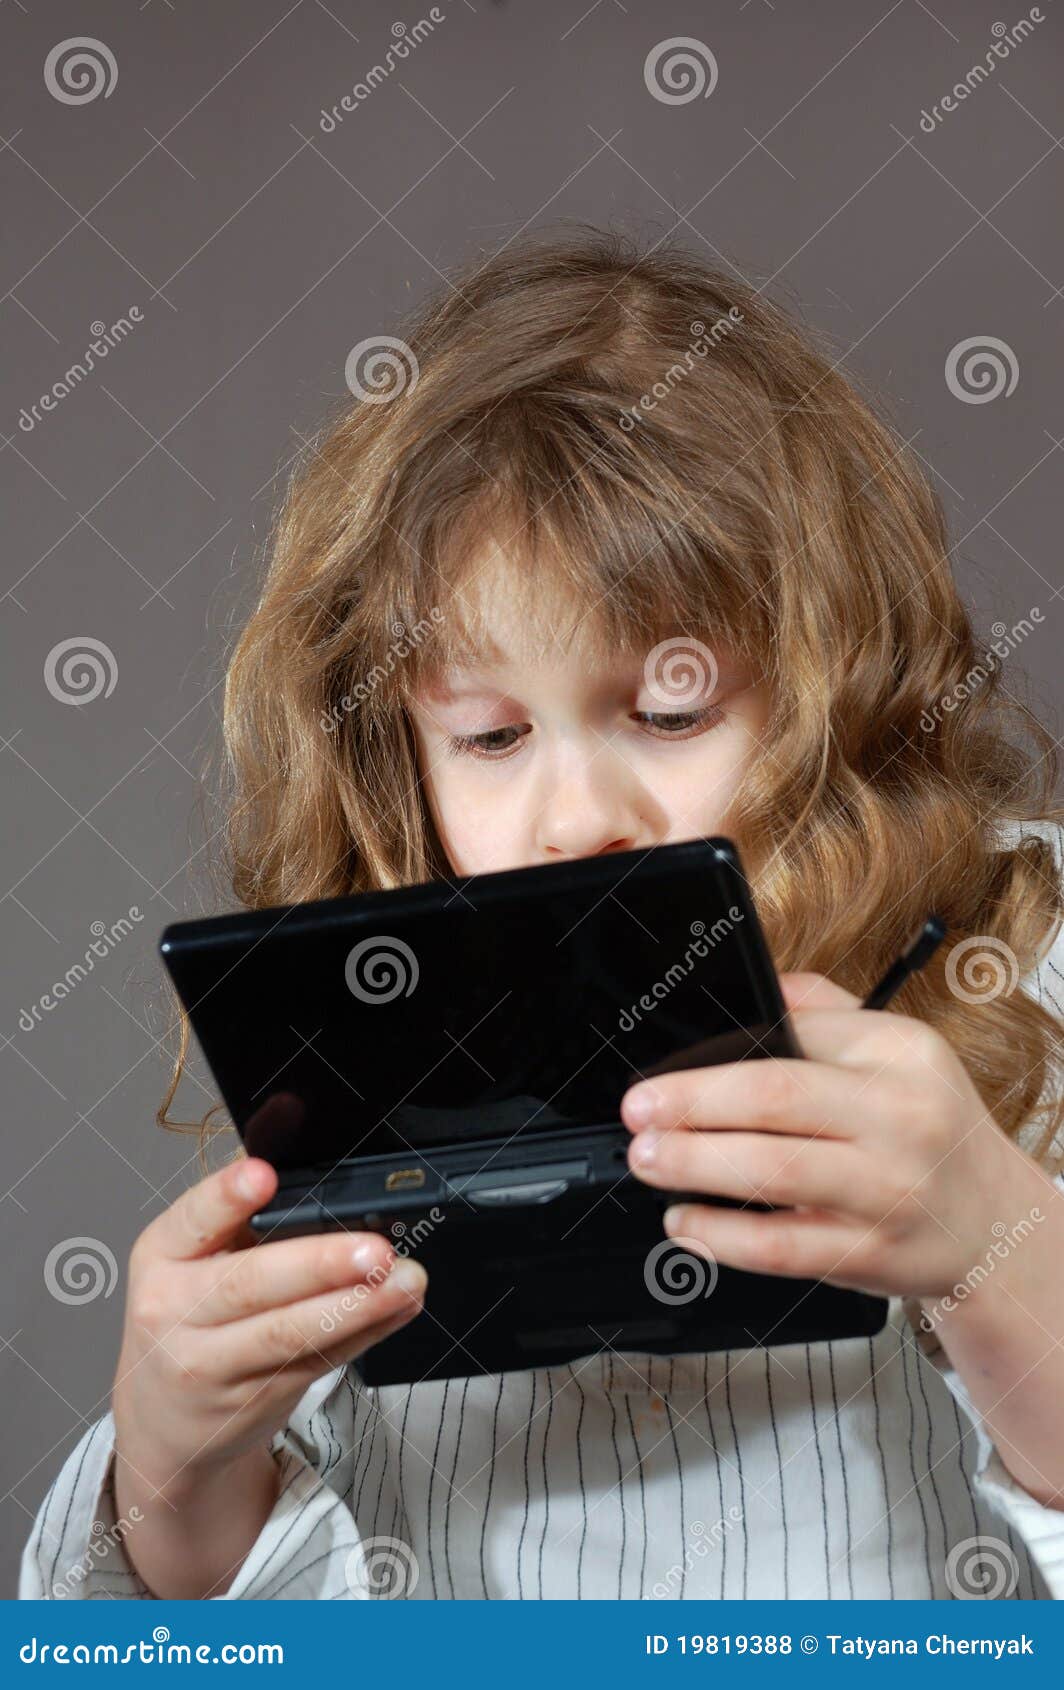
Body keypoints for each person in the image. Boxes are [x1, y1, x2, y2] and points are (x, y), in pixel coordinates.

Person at [21, 227, 1064, 1601]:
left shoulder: (1029, 964)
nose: (578, 819)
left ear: (839, 705)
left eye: (672, 706)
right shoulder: (378, 1073)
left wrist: (1001, 1244)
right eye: (495, 736)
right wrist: (169, 1481)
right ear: (402, 763)